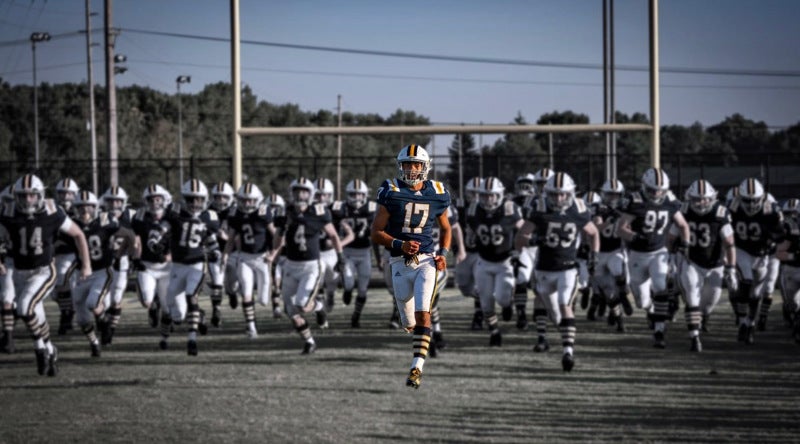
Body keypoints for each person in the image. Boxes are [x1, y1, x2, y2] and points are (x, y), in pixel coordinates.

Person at [371, 144, 451, 389]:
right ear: (400, 166)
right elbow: (375, 232)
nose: (411, 169)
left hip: (426, 259)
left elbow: (446, 228)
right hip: (399, 261)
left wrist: (444, 254)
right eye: (407, 164)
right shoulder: (391, 191)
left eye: (416, 164)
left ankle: (417, 367)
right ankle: (419, 343)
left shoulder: (437, 191)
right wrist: (399, 244)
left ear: (425, 167)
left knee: (423, 311)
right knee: (409, 323)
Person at [0, 174, 91, 376]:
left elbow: (78, 234)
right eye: (23, 196)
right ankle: (50, 349)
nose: (27, 200)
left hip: (43, 271)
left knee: (24, 307)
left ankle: (39, 349)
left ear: (40, 195)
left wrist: (86, 265)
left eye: (32, 196)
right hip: (19, 272)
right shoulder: (7, 212)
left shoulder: (52, 212)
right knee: (37, 318)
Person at [514, 172, 599, 372]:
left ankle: (568, 352)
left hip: (568, 268)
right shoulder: (540, 208)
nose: (558, 198)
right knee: (555, 315)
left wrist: (594, 256)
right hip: (544, 269)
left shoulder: (578, 208)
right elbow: (521, 236)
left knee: (564, 305)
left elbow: (593, 232)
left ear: (570, 193)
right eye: (554, 194)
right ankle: (557, 335)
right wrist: (532, 241)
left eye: (562, 194)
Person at [616, 168, 690, 349]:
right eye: (652, 189)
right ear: (644, 187)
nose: (656, 193)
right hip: (637, 254)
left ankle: (659, 330)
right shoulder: (635, 200)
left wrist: (686, 243)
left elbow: (683, 225)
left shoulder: (671, 201)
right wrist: (633, 236)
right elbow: (621, 228)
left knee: (660, 286)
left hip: (659, 252)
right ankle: (652, 311)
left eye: (659, 190)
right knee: (642, 301)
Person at [272, 178, 345, 353]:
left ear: (310, 194)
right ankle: (310, 342)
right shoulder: (284, 212)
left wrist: (340, 256)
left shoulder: (319, 211)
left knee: (303, 305)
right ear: (291, 193)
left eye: (304, 191)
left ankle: (319, 308)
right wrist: (273, 255)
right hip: (290, 265)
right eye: (297, 191)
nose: (300, 195)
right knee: (291, 310)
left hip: (311, 266)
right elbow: (278, 236)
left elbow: (334, 236)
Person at [672, 180, 736, 351]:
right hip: (690, 260)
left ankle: (703, 317)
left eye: (705, 199)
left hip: (715, 264)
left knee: (708, 304)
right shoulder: (683, 210)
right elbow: (670, 237)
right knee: (692, 295)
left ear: (712, 198)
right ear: (689, 198)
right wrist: (670, 257)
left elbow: (729, 243)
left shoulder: (720, 212)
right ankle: (694, 338)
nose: (701, 203)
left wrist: (731, 269)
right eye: (696, 199)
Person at [158, 179, 220, 355]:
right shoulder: (175, 213)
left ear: (204, 200)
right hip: (177, 266)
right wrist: (155, 240)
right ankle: (197, 317)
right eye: (191, 199)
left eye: (198, 199)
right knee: (175, 311)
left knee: (191, 295)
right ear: (184, 199)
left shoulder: (208, 216)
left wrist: (215, 252)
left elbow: (210, 239)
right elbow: (163, 228)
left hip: (197, 264)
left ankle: (192, 340)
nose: (194, 203)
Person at [466, 176, 523, 347]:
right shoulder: (474, 209)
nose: (488, 199)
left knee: (503, 299)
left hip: (504, 261)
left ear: (500, 195)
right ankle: (494, 332)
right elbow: (470, 229)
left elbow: (523, 228)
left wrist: (518, 248)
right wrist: (470, 238)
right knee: (485, 302)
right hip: (484, 261)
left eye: (492, 195)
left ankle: (509, 304)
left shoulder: (509, 208)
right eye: (484, 195)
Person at [727, 178, 784, 344]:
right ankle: (743, 323)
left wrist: (772, 236)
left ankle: (750, 324)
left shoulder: (771, 209)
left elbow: (781, 233)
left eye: (754, 200)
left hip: (761, 254)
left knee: (756, 294)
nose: (751, 204)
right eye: (747, 200)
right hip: (742, 249)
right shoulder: (733, 207)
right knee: (746, 282)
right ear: (740, 198)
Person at [69, 191, 125, 357]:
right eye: (81, 207)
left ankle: (104, 322)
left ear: (96, 207)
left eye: (89, 206)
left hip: (102, 271)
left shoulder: (106, 220)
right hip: (81, 273)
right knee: (81, 318)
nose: (85, 210)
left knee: (93, 303)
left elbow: (127, 234)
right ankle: (94, 342)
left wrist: (119, 249)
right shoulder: (71, 223)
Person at [223, 182, 278, 338]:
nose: (247, 203)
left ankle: (253, 322)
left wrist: (273, 253)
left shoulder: (264, 212)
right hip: (244, 258)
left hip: (262, 258)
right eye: (244, 200)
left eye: (250, 200)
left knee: (263, 301)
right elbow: (231, 238)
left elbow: (277, 236)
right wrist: (225, 255)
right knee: (246, 291)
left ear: (257, 200)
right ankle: (251, 327)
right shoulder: (236, 214)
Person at [99, 186, 138, 345]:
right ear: (105, 202)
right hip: (103, 262)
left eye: (118, 201)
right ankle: (103, 323)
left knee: (116, 299)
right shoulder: (100, 216)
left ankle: (110, 330)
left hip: (122, 262)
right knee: (104, 301)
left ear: (124, 202)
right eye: (111, 201)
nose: (114, 205)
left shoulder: (132, 216)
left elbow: (138, 239)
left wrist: (136, 257)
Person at [131, 184, 173, 329]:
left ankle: (165, 319)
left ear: (164, 199)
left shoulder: (172, 215)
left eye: (158, 199)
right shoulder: (140, 217)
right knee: (146, 302)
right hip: (147, 265)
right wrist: (136, 258)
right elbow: (137, 240)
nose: (155, 203)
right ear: (146, 201)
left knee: (168, 307)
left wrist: (170, 257)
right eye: (151, 199)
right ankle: (154, 305)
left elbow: (180, 241)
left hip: (167, 266)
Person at [590, 179, 631, 329]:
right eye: (610, 195)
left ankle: (622, 294)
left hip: (616, 250)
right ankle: (618, 318)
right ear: (603, 195)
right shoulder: (599, 208)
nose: (613, 198)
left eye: (616, 195)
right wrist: (609, 221)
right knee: (608, 291)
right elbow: (595, 228)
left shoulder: (626, 208)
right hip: (599, 252)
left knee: (619, 271)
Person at [336, 179, 377, 328]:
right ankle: (347, 291)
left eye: (360, 194)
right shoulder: (341, 208)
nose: (357, 197)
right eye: (353, 194)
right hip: (348, 252)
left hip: (364, 252)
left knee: (362, 289)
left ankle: (356, 316)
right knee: (348, 282)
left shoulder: (372, 208)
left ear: (365, 195)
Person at [313, 177, 354, 326]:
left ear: (330, 195)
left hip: (331, 253)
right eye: (318, 195)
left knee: (331, 283)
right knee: (316, 282)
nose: (321, 198)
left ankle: (330, 295)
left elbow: (351, 235)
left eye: (324, 195)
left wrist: (338, 245)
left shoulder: (337, 210)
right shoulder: (308, 210)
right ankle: (320, 312)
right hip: (315, 254)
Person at [454, 177, 484, 330]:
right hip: (464, 253)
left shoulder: (487, 209)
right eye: (472, 193)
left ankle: (478, 316)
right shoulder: (459, 206)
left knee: (479, 286)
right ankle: (486, 296)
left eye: (479, 193)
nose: (476, 197)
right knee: (465, 288)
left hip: (481, 253)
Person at [52, 177, 81, 335]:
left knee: (63, 279)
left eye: (69, 194)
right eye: (62, 194)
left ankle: (66, 316)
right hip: (52, 255)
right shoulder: (51, 209)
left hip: (71, 254)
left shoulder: (80, 210)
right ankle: (67, 311)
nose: (65, 197)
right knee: (54, 293)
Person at [208, 181, 237, 327]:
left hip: (233, 251)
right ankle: (216, 309)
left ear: (230, 197)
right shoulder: (207, 211)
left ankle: (232, 294)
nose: (220, 201)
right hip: (216, 251)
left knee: (232, 284)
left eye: (224, 197)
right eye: (217, 197)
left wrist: (229, 238)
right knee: (217, 282)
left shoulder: (237, 210)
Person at [775, 198, 800, 342]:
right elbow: (779, 253)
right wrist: (795, 255)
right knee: (792, 305)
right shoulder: (791, 227)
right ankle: (793, 319)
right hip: (790, 270)